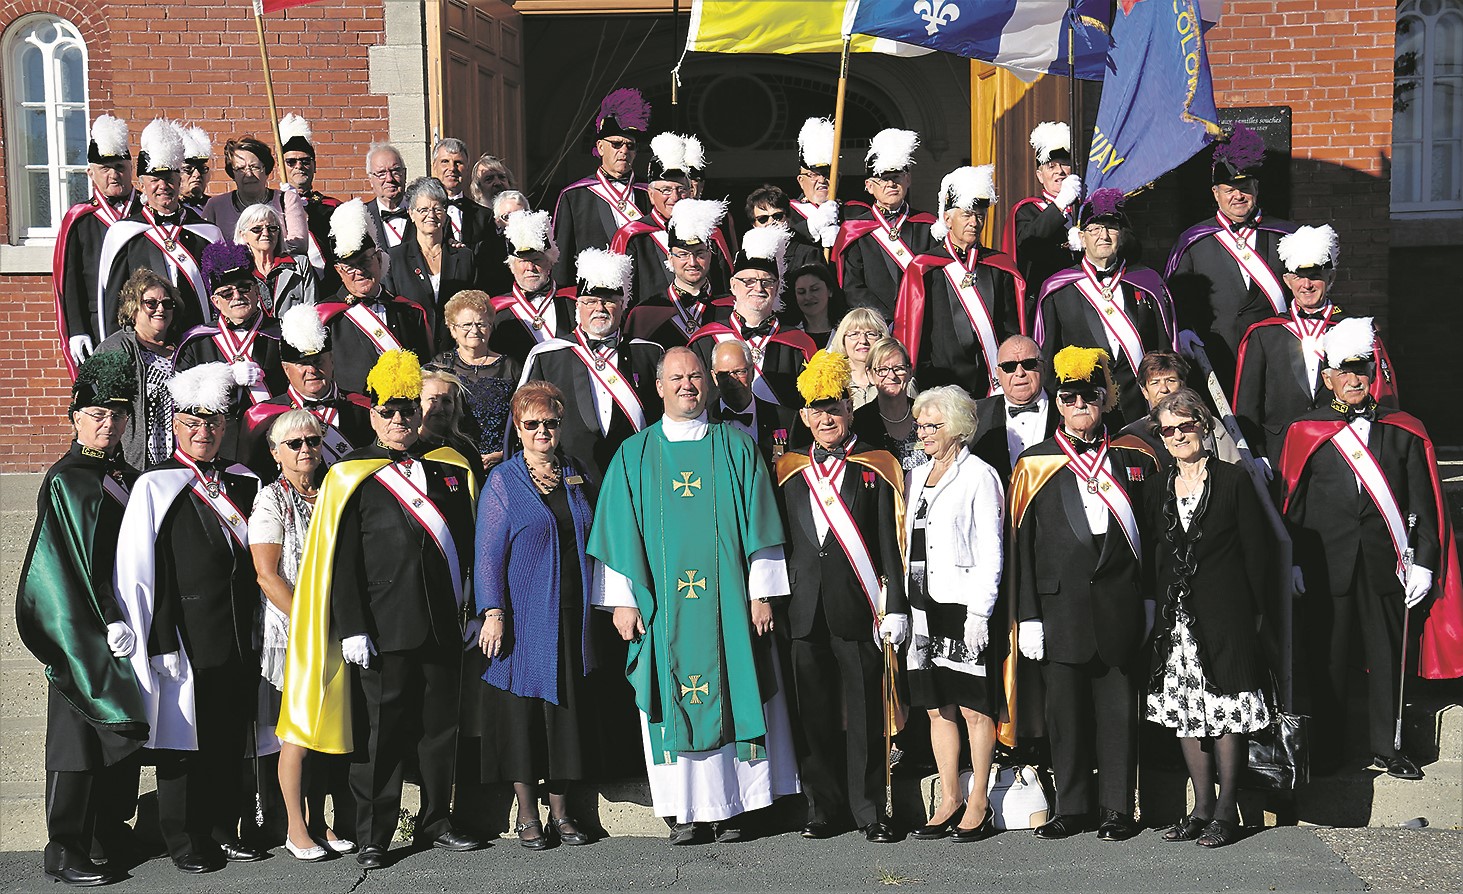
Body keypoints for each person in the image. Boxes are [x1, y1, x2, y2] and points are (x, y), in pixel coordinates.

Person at [275, 349, 484, 868]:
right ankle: (374, 834)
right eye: (388, 411)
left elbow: (472, 544)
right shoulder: (350, 474)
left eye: (408, 410)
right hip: (382, 627)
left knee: (440, 731)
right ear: (372, 414)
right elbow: (340, 559)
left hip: (444, 621)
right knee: (380, 736)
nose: (398, 420)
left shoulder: (452, 465)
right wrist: (352, 627)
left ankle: (436, 822)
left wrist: (477, 607)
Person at [588, 347, 801, 845]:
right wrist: (623, 600)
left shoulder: (736, 447)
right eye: (677, 378)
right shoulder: (635, 454)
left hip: (731, 606)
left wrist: (762, 592)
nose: (688, 385)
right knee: (670, 693)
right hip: (663, 610)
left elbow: (761, 523)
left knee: (735, 685)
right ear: (659, 387)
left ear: (709, 383)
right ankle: (683, 811)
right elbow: (618, 532)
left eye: (696, 376)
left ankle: (734, 807)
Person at [1277, 317, 1462, 779]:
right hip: (1325, 563)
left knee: (1387, 657)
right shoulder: (1305, 431)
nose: (1355, 379)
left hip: (1386, 561)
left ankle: (1388, 746)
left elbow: (1423, 503)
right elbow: (1293, 505)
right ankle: (1329, 748)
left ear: (1373, 372)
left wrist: (1424, 563)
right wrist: (1293, 561)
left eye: (1361, 369)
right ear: (1328, 379)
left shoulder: (1403, 429)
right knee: (1329, 658)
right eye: (1345, 371)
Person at [113, 362, 266, 873]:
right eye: (192, 422)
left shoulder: (243, 482)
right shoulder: (155, 485)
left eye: (214, 422)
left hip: (240, 632)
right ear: (175, 424)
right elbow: (139, 570)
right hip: (182, 633)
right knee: (181, 743)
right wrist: (157, 641)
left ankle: (223, 828)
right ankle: (184, 838)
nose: (204, 432)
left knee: (227, 736)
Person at [1010, 346, 1158, 842]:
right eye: (1070, 397)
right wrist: (1028, 616)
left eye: (1089, 396)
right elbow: (1021, 545)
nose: (1080, 405)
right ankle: (1071, 807)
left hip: (1120, 605)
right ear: (1058, 402)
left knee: (1118, 714)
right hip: (1058, 609)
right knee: (1065, 717)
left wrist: (1149, 600)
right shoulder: (1034, 463)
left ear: (1104, 400)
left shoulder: (1133, 456)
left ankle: (1117, 808)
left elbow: (1152, 537)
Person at [17, 352, 148, 886]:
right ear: (75, 418)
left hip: (126, 624)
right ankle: (64, 846)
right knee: (76, 739)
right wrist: (106, 617)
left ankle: (106, 832)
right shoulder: (66, 478)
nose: (107, 424)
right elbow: (71, 562)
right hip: (78, 626)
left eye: (117, 415)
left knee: (115, 734)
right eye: (96, 414)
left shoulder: (126, 477)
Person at [774, 350, 907, 842]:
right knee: (813, 715)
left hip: (858, 607)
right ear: (805, 415)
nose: (826, 419)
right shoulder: (788, 469)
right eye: (817, 411)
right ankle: (822, 808)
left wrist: (896, 606)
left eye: (834, 408)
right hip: (804, 608)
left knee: (866, 712)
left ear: (849, 408)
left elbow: (891, 542)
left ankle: (870, 809)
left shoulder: (877, 463)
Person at [468, 381, 600, 849]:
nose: (542, 431)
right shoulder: (504, 481)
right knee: (522, 716)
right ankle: (527, 815)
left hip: (570, 614)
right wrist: (493, 611)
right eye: (532, 424)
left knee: (563, 714)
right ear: (518, 427)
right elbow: (488, 554)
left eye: (551, 423)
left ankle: (561, 813)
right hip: (521, 617)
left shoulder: (575, 472)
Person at [1142, 389, 1273, 850]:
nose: (1178, 436)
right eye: (1168, 430)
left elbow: (1257, 554)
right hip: (1177, 622)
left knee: (1225, 713)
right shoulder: (1156, 487)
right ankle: (1201, 809)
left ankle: (1226, 812)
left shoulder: (1234, 481)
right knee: (1188, 714)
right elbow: (1154, 556)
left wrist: (1257, 615)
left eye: (1186, 425)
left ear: (1202, 425)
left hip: (1227, 616)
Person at [248, 410, 356, 862]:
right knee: (297, 732)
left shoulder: (333, 489)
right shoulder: (270, 499)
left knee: (327, 729)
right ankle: (294, 827)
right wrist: (310, 622)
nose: (306, 449)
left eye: (312, 440)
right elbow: (267, 575)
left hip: (337, 629)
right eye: (294, 444)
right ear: (276, 453)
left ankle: (319, 821)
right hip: (294, 633)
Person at [902, 385, 1006, 843]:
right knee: (936, 707)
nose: (924, 433)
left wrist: (980, 612)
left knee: (972, 707)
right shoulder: (915, 475)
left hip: (962, 607)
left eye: (933, 425)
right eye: (920, 425)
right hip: (921, 607)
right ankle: (949, 798)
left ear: (959, 426)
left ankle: (978, 799)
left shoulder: (980, 475)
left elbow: (991, 549)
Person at [1234, 225, 1399, 464]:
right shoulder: (1264, 333)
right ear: (1287, 281)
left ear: (1330, 278)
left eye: (1315, 276)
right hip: (1280, 449)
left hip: (1340, 445)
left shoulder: (1354, 328)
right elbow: (1248, 403)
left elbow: (1379, 393)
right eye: (1299, 277)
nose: (1307, 285)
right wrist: (1256, 455)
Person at [1165, 125, 1296, 395]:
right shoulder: (1193, 241)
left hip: (1277, 354)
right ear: (1216, 194)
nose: (1238, 196)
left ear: (1256, 188)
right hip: (1216, 356)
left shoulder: (1287, 235)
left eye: (1244, 187)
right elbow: (1178, 299)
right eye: (1229, 190)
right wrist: (1185, 331)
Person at [1034, 188, 1176, 427]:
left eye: (1111, 228)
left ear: (1121, 235)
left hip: (1142, 409)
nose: (1104, 236)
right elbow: (1048, 359)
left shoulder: (1148, 281)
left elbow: (1165, 348)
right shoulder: (1058, 289)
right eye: (1095, 229)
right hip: (1086, 410)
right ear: (1082, 237)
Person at [519, 248, 664, 479]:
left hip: (637, 474)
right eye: (591, 301)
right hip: (569, 478)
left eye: (609, 302)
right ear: (578, 306)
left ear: (623, 304)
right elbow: (524, 421)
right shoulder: (547, 356)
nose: (599, 308)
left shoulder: (649, 353)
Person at [895, 165, 1023, 395]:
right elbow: (916, 333)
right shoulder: (925, 268)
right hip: (942, 384)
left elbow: (1010, 328)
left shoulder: (998, 266)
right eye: (966, 215)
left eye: (980, 215)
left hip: (991, 383)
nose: (974, 222)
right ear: (947, 218)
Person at [97, 118, 223, 338]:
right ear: (142, 183)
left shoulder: (206, 232)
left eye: (169, 178)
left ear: (179, 180)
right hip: (145, 343)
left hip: (197, 340)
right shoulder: (124, 234)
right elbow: (114, 302)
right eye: (155, 179)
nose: (163, 186)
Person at [174, 241, 286, 463]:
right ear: (215, 302)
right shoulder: (196, 341)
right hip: (220, 445)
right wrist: (226, 376)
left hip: (277, 438)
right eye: (226, 293)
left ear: (256, 291)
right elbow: (181, 395)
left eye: (244, 288)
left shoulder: (283, 333)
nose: (237, 296)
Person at [689, 226, 818, 409]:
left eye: (766, 282)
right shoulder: (704, 341)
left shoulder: (800, 344)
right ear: (733, 285)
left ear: (777, 287)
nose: (758, 288)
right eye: (749, 281)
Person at [242, 303, 375, 473]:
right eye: (303, 364)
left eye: (318, 361)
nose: (312, 370)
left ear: (331, 360)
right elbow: (253, 475)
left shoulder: (365, 408)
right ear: (286, 369)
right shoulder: (263, 418)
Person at [54, 114, 142, 374]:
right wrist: (77, 329)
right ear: (91, 173)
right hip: (98, 325)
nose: (114, 175)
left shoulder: (147, 212)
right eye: (105, 169)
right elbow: (71, 282)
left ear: (131, 169)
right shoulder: (80, 219)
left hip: (147, 321)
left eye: (120, 167)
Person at [316, 198, 432, 393]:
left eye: (365, 261)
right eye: (350, 267)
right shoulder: (325, 318)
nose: (359, 271)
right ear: (339, 271)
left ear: (378, 259)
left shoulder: (410, 312)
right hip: (354, 409)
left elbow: (425, 368)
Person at [611, 134, 732, 305]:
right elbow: (618, 299)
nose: (675, 197)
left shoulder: (710, 234)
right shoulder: (632, 237)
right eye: (666, 190)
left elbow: (725, 291)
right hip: (650, 320)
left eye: (681, 189)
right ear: (651, 195)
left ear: (690, 192)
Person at [550, 88, 653, 286]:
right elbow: (561, 258)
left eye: (630, 146)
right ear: (600, 147)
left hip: (643, 291)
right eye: (616, 144)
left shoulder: (649, 193)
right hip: (595, 293)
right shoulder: (574, 196)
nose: (624, 151)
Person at [832, 128, 936, 321]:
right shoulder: (855, 230)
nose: (891, 184)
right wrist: (886, 320)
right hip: (877, 326)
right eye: (883, 179)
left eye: (896, 177)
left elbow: (937, 281)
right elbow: (853, 287)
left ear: (908, 179)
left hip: (922, 321)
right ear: (869, 186)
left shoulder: (928, 226)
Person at [94, 267, 187, 469]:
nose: (160, 309)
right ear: (133, 307)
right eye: (151, 303)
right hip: (135, 464)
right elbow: (99, 410)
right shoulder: (115, 349)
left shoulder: (187, 348)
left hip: (182, 462)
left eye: (167, 303)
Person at [1002, 122, 1082, 330]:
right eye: (1051, 166)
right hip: (1045, 304)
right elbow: (1029, 241)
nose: (1060, 172)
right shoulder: (1026, 210)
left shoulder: (1088, 209)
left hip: (1084, 302)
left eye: (1065, 164)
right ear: (1040, 176)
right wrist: (1060, 204)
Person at [429, 290, 521, 469]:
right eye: (466, 325)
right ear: (453, 329)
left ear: (491, 326)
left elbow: (524, 416)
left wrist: (503, 453)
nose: (474, 330)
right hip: (453, 461)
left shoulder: (511, 367)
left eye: (481, 324)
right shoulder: (441, 364)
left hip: (502, 463)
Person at [623, 197, 733, 346]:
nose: (692, 262)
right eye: (683, 254)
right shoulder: (645, 313)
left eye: (700, 253)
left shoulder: (732, 307)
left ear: (710, 254)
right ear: (670, 258)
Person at [385, 177, 478, 347]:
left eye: (437, 209)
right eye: (423, 210)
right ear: (411, 214)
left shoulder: (464, 257)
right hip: (411, 350)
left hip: (456, 351)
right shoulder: (395, 258)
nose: (431, 215)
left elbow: (474, 306)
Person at [1117, 351, 1240, 466]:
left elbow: (1232, 471)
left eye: (1170, 381)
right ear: (1145, 392)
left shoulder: (1208, 424)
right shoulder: (1132, 436)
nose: (1164, 389)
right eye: (1155, 383)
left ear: (1182, 385)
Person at [489, 210, 579, 362]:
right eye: (523, 261)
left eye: (536, 260)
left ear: (550, 262)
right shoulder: (495, 311)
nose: (530, 268)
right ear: (511, 266)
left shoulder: (574, 303)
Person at [970, 335, 1058, 486]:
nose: (1020, 373)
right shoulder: (975, 415)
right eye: (1009, 367)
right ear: (998, 373)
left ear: (1044, 367)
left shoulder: (1068, 411)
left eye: (1029, 364)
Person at [201, 136, 307, 258]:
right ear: (232, 173)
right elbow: (205, 248)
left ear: (266, 170)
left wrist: (261, 251)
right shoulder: (215, 205)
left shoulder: (286, 199)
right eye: (240, 169)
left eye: (255, 167)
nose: (248, 174)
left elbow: (299, 244)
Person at [707, 339, 801, 467]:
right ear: (714, 377)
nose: (733, 380)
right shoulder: (703, 422)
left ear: (752, 372)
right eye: (724, 375)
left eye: (739, 372)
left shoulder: (786, 420)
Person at [277, 113, 341, 291]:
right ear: (281, 167)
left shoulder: (333, 207)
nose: (299, 166)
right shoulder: (272, 205)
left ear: (314, 166)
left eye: (305, 161)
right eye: (291, 162)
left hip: (329, 287)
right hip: (289, 286)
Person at [852, 336, 924, 471]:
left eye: (898, 368)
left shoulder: (925, 415)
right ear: (870, 374)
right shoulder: (859, 422)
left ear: (909, 372)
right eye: (882, 370)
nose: (891, 376)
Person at [236, 203, 318, 316]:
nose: (266, 233)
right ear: (243, 235)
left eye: (272, 228)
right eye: (257, 229)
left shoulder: (300, 264)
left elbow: (312, 309)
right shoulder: (237, 270)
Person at [784, 117, 841, 270]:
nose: (821, 180)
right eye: (813, 175)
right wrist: (810, 228)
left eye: (827, 174)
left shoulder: (854, 213)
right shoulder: (786, 213)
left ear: (838, 178)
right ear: (801, 181)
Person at [419, 367, 488, 483]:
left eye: (446, 401)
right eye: (432, 399)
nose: (440, 408)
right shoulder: (409, 449)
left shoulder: (466, 448)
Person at [746, 184, 823, 275]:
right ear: (754, 224)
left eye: (777, 216)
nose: (771, 222)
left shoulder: (809, 254)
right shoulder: (746, 255)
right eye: (763, 219)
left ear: (788, 218)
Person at [828, 308, 887, 409]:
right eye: (854, 334)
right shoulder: (830, 380)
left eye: (871, 334)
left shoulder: (898, 379)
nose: (863, 341)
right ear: (843, 340)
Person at [361, 143, 410, 250]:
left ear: (404, 174)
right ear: (371, 180)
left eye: (395, 171)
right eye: (381, 173)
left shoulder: (422, 212)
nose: (389, 179)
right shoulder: (361, 217)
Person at [786, 264, 846, 348]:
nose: (808, 297)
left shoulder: (845, 333)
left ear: (830, 291)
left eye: (814, 289)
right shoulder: (788, 337)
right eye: (801, 292)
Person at [179, 125, 213, 216]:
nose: (197, 174)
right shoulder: (170, 209)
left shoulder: (215, 206)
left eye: (202, 169)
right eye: (188, 169)